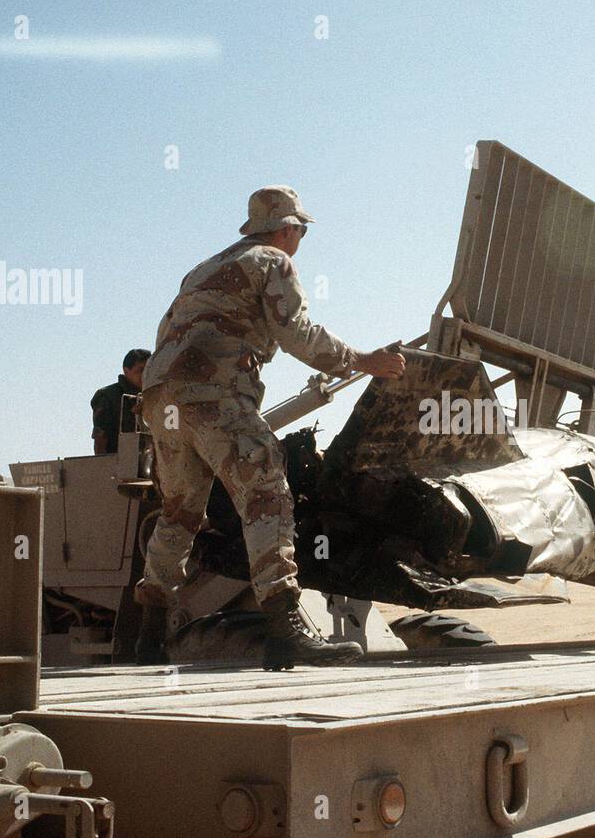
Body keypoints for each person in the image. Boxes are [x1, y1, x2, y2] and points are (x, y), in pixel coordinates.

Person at [133, 185, 405, 667]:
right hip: (213, 391)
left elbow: (167, 334)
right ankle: (284, 626)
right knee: (266, 493)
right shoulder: (272, 260)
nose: (300, 238)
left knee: (179, 512)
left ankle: (147, 636)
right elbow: (297, 332)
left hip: (161, 398)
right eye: (300, 230)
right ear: (287, 228)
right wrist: (364, 360)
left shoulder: (203, 268)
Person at [91, 349, 150, 453]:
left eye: (149, 370)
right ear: (126, 371)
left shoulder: (153, 396)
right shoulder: (108, 396)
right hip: (119, 460)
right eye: (140, 371)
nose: (146, 375)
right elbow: (100, 437)